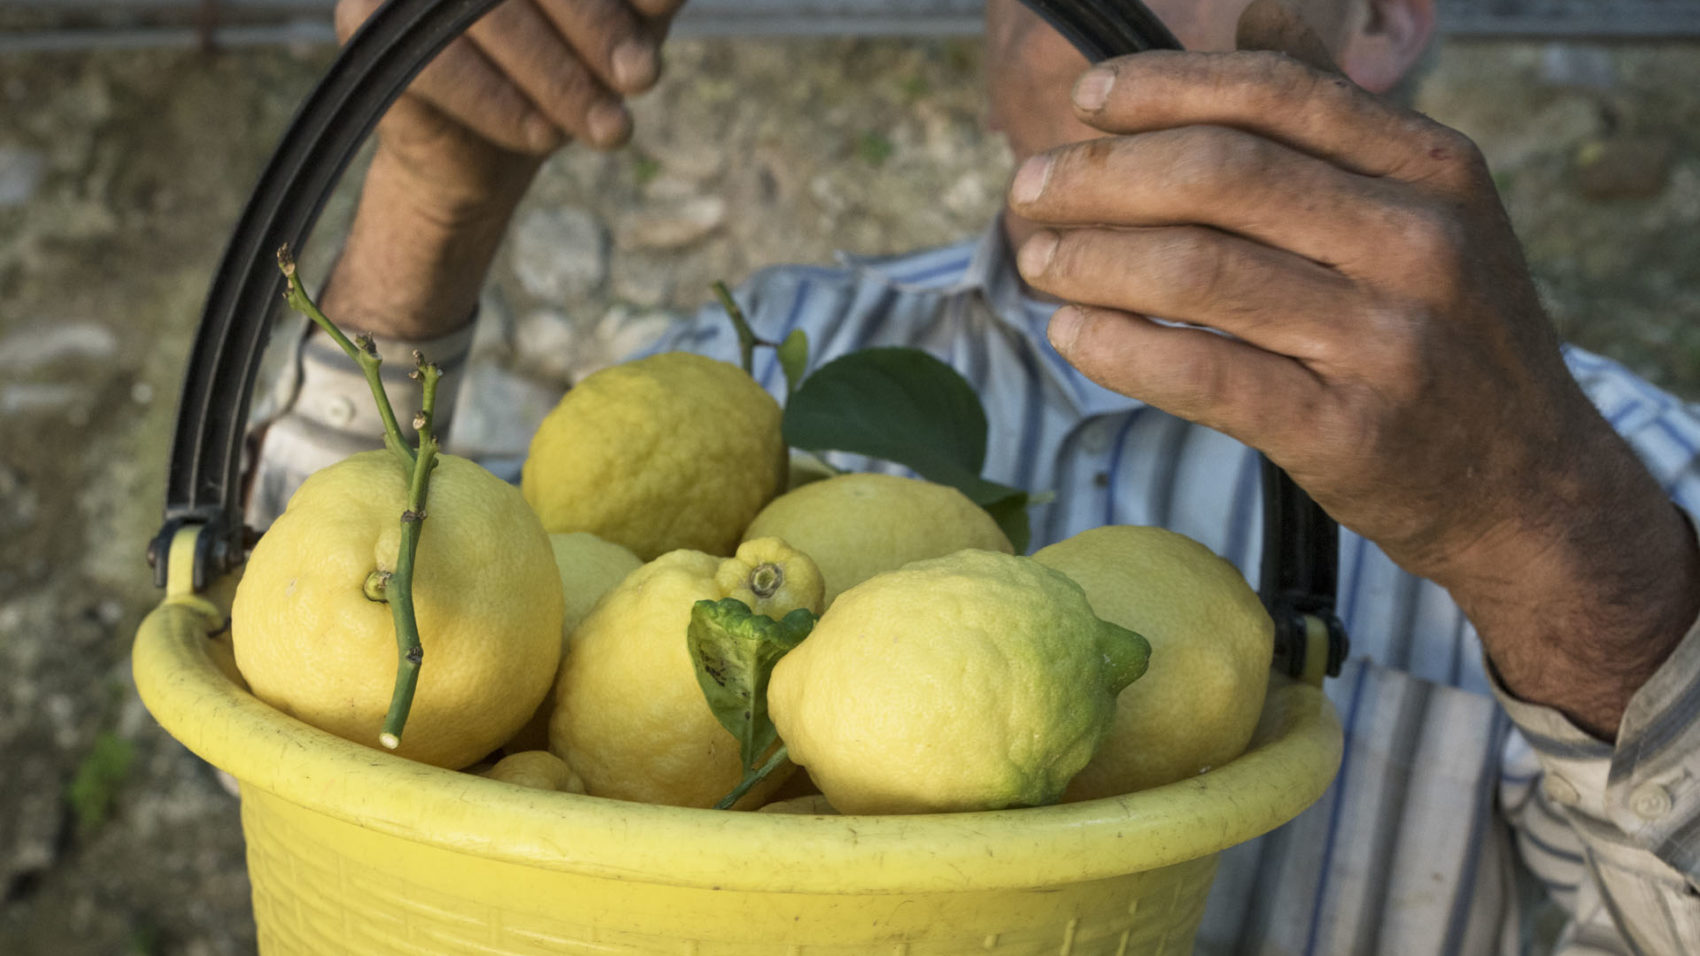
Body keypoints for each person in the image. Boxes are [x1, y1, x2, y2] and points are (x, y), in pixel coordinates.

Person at [248, 0, 1700, 950]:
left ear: (1380, 14)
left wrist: (1551, 529)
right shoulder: (758, 377)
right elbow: (315, 692)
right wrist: (433, 191)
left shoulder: (1621, 483)